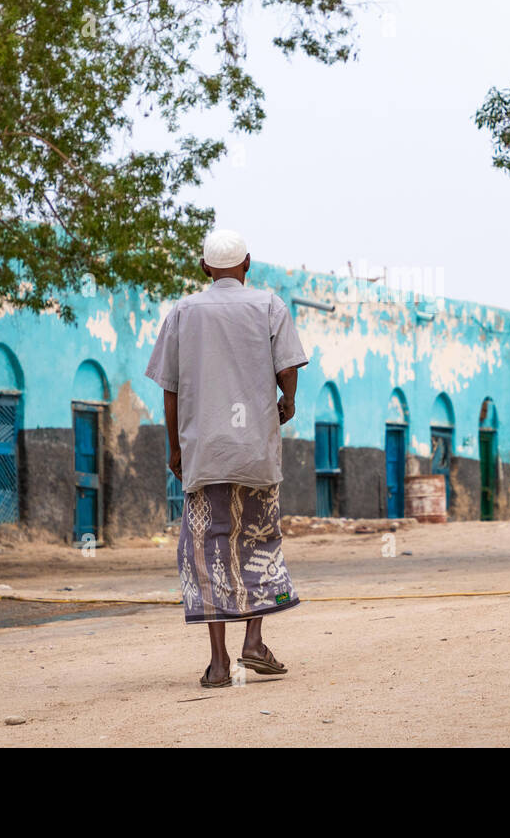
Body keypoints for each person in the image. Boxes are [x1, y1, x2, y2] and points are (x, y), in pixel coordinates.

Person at [145, 229, 309, 687]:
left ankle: (219, 664)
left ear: (203, 268)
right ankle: (253, 640)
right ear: (248, 263)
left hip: (204, 454)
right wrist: (287, 401)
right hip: (254, 450)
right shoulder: (269, 305)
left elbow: (171, 389)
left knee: (206, 552)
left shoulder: (182, 312)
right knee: (259, 543)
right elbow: (288, 368)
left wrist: (176, 447)